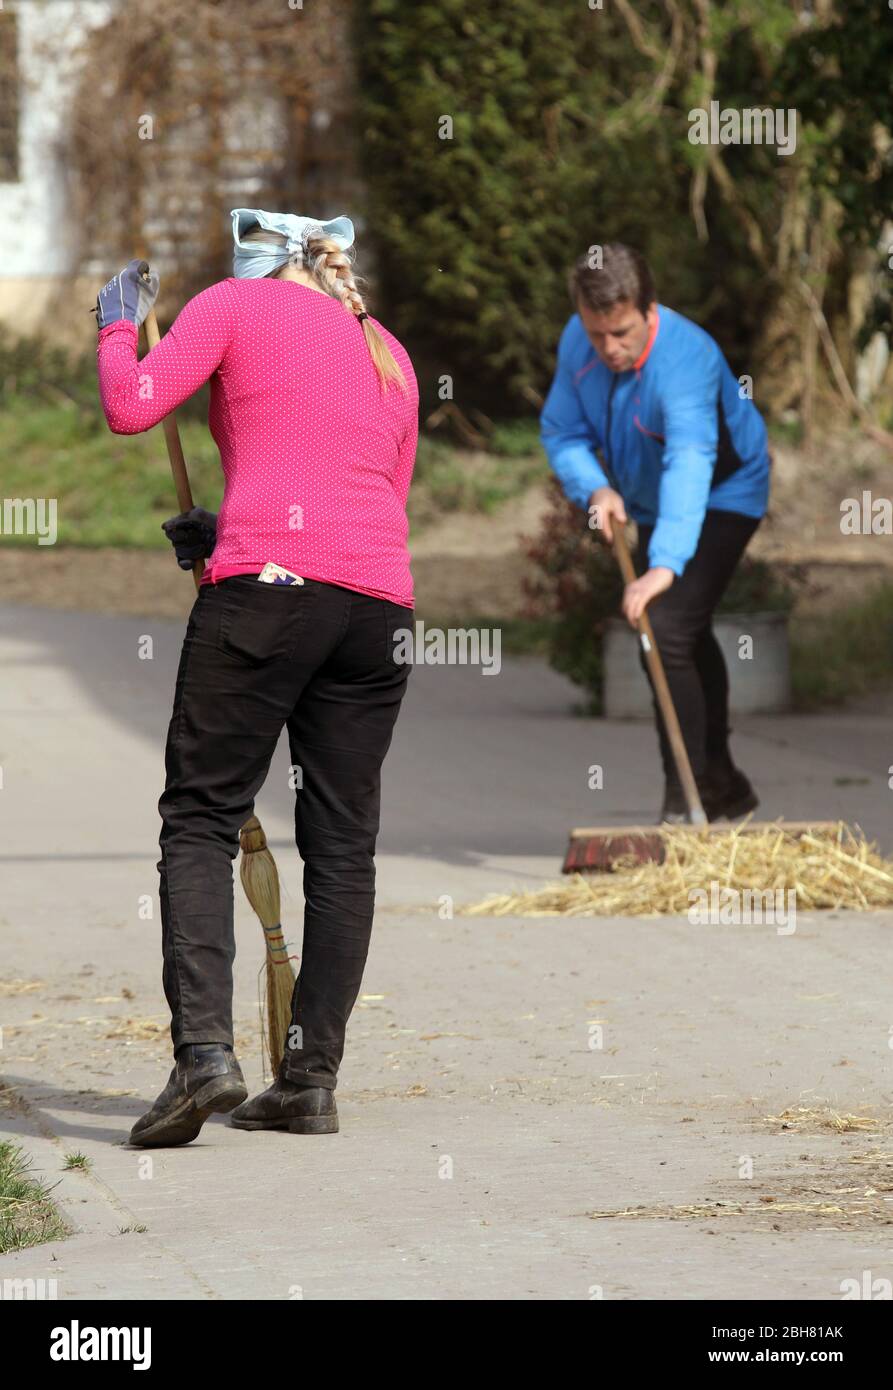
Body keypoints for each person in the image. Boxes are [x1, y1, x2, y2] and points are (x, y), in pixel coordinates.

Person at [94, 208, 418, 1145]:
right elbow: (368, 498)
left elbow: (132, 406)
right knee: (343, 847)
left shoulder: (233, 303)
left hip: (267, 600)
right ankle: (308, 1080)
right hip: (376, 611)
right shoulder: (388, 352)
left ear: (260, 263)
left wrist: (119, 323)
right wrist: (229, 527)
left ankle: (203, 1058)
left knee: (198, 816)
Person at [540, 242, 771, 823]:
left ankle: (684, 806)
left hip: (724, 494)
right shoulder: (578, 341)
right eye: (598, 336)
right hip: (646, 499)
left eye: (621, 333)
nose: (609, 349)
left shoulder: (687, 359)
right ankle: (722, 785)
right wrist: (595, 488)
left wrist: (663, 567)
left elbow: (690, 461)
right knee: (677, 634)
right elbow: (562, 432)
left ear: (648, 310)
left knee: (664, 624)